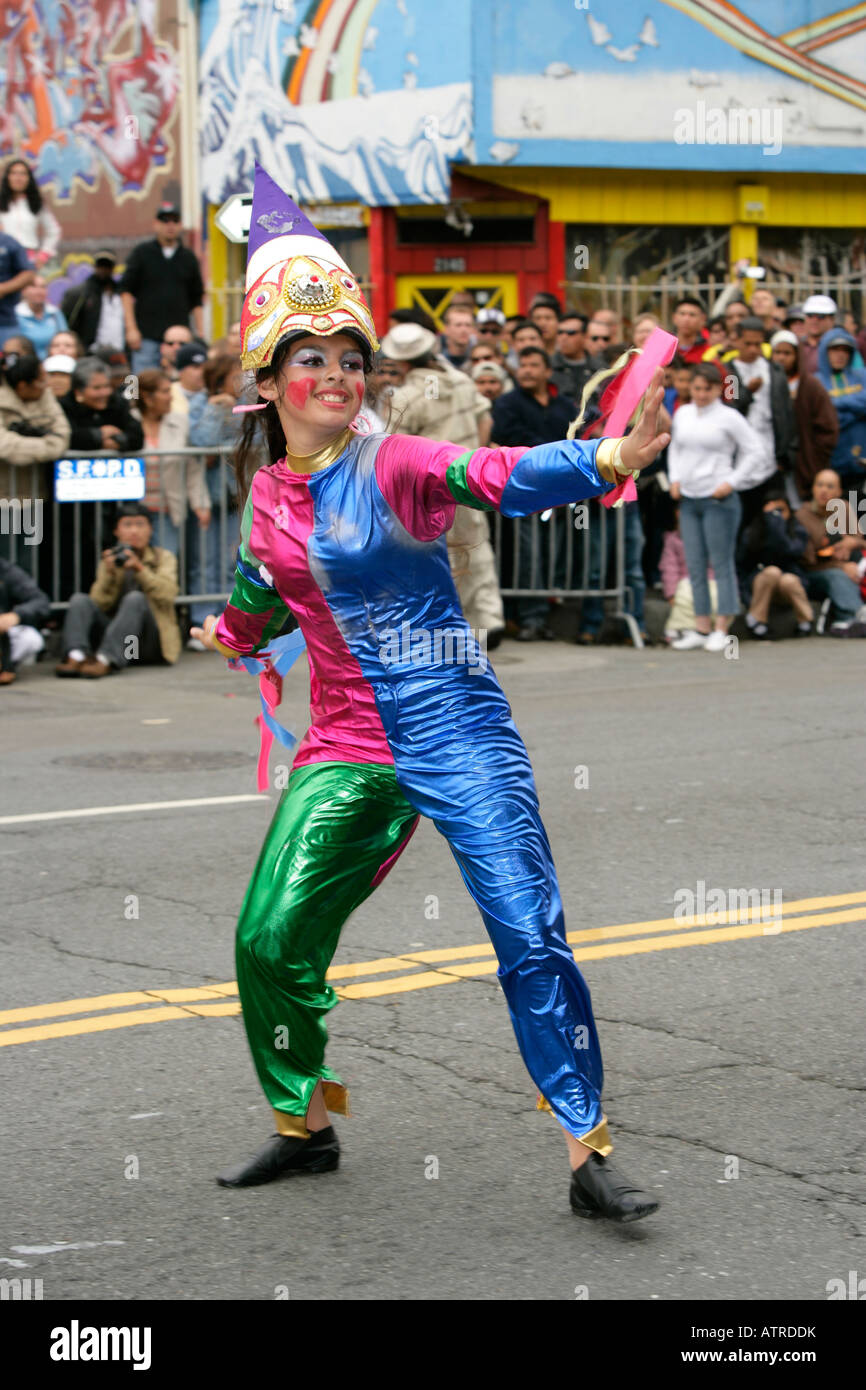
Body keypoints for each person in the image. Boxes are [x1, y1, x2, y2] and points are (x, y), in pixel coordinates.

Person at [189, 167, 669, 1220]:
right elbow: (262, 589)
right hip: (349, 742)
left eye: (349, 358)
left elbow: (498, 473)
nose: (336, 373)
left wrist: (602, 458)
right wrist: (226, 631)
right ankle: (305, 1120)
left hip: (454, 725)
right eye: (310, 357)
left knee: (526, 929)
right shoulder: (269, 495)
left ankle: (587, 1148)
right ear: (267, 381)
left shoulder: (395, 462)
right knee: (269, 935)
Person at [381, 321, 506, 646]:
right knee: (477, 548)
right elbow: (486, 418)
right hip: (469, 476)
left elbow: (392, 449)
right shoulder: (463, 382)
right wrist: (475, 459)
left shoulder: (405, 396)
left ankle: (447, 625)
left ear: (403, 362)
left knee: (439, 556)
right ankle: (488, 620)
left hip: (429, 486)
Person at [667, 363, 768, 651]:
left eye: (706, 389)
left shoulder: (729, 417)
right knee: (695, 563)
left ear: (718, 389)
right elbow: (676, 448)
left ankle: (722, 626)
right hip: (689, 497)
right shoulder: (684, 413)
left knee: (721, 562)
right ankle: (701, 626)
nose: (700, 394)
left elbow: (755, 451)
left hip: (718, 498)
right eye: (696, 388)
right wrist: (674, 479)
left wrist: (733, 481)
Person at [490, 344, 576, 640]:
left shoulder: (565, 406)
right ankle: (529, 617)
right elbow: (501, 443)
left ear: (548, 371)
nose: (526, 370)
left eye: (533, 364)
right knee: (528, 556)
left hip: (560, 493)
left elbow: (574, 441)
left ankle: (544, 617)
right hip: (523, 491)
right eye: (522, 364)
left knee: (554, 556)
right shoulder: (507, 404)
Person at [56, 503, 181, 677]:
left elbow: (167, 595)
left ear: (150, 529)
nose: (134, 531)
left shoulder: (163, 557)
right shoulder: (111, 559)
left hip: (144, 645)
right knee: (80, 600)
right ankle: (75, 656)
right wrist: (109, 574)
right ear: (117, 532)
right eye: (128, 525)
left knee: (135, 599)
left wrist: (140, 569)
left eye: (140, 524)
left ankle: (105, 659)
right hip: (118, 640)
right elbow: (98, 603)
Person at [187, 353, 246, 637]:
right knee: (204, 563)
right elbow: (200, 441)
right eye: (236, 374)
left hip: (236, 497)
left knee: (229, 562)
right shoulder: (201, 403)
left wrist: (219, 450)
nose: (242, 380)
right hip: (207, 499)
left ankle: (227, 625)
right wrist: (216, 410)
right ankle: (201, 621)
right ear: (221, 377)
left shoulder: (247, 402)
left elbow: (253, 439)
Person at [724, 316, 798, 522]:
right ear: (737, 341)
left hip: (770, 454)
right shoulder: (729, 372)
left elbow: (786, 413)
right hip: (739, 456)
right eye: (747, 344)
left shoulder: (774, 371)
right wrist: (747, 391)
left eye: (758, 344)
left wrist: (786, 453)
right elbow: (731, 408)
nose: (753, 349)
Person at [0, 352, 71, 563]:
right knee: (7, 565)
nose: (46, 384)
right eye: (41, 380)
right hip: (4, 501)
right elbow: (6, 447)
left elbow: (62, 437)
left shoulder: (45, 397)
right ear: (23, 386)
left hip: (34, 499)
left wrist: (27, 445)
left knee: (29, 562)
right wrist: (44, 445)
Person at [120, 201, 205, 372]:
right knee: (141, 385)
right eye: (165, 220)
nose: (170, 225)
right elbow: (125, 292)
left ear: (180, 225)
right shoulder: (141, 253)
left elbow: (197, 299)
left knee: (182, 382)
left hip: (179, 338)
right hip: (146, 337)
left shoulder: (188, 258)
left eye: (174, 221)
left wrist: (200, 334)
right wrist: (131, 329)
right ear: (156, 224)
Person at [135, 368, 209, 560]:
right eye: (165, 391)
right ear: (147, 396)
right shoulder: (129, 423)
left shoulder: (180, 421)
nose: (170, 397)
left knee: (165, 564)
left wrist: (200, 504)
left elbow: (192, 468)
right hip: (133, 512)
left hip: (166, 512)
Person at [770, 330, 838, 501]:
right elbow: (736, 400)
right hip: (771, 461)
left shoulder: (810, 385)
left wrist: (814, 457)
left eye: (787, 353)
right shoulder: (761, 380)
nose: (781, 358)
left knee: (801, 508)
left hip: (803, 462)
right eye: (777, 352)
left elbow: (828, 427)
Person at [737, 492, 813, 639]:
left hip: (786, 587)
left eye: (781, 511)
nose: (776, 515)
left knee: (788, 579)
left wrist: (776, 525)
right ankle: (756, 620)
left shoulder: (796, 530)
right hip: (759, 586)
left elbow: (790, 551)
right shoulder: (752, 532)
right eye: (772, 512)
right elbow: (741, 565)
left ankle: (805, 621)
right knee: (772, 572)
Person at [795, 469, 863, 621]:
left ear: (839, 492)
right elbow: (808, 563)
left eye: (830, 486)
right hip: (815, 575)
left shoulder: (844, 508)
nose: (824, 490)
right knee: (836, 576)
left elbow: (862, 542)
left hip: (852, 567)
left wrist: (852, 542)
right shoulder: (802, 516)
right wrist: (841, 566)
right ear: (813, 488)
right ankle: (857, 614)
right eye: (820, 485)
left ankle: (849, 619)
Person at [815, 328, 866, 493]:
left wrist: (836, 402)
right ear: (825, 352)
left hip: (861, 461)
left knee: (860, 513)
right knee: (837, 514)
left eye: (845, 350)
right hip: (832, 462)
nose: (840, 355)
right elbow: (822, 416)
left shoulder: (861, 376)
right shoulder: (816, 381)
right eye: (835, 349)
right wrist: (857, 412)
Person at [61, 356, 144, 454]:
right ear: (79, 391)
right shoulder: (64, 406)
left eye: (106, 386)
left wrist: (118, 440)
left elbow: (137, 437)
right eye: (97, 388)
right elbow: (66, 438)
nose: (104, 393)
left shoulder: (117, 403)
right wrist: (99, 435)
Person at [60, 250, 125, 352]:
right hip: (91, 350)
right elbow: (68, 322)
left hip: (119, 349)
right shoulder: (81, 293)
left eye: (107, 266)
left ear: (112, 268)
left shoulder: (120, 293)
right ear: (95, 267)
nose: (103, 270)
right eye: (100, 266)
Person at [0, 160, 61, 268]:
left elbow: (54, 231)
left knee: (36, 283)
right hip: (4, 259)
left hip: (28, 259)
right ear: (8, 177)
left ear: (29, 178)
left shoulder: (36, 203)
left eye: (23, 174)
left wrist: (43, 255)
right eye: (14, 173)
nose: (18, 178)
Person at [0, 557, 51, 685]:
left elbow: (41, 601)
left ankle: (5, 666)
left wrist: (16, 615)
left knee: (31, 638)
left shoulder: (6, 571)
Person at [14, 276, 67, 358]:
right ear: (23, 291)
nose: (39, 291)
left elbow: (65, 337)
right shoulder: (16, 315)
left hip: (55, 361)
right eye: (34, 287)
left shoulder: (55, 313)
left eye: (43, 287)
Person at [0, 228, 35, 348]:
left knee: (10, 359)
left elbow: (29, 274)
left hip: (4, 320)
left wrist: (3, 288)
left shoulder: (7, 242)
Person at [551, 312, 595, 402]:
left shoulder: (600, 369)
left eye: (571, 333)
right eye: (560, 332)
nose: (564, 337)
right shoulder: (547, 368)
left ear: (585, 336)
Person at [169, 341, 208, 425]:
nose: (202, 372)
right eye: (196, 367)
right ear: (181, 370)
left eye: (205, 367)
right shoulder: (168, 394)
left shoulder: (212, 394)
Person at [670, 295, 708, 364]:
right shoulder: (666, 346)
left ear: (702, 319)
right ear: (674, 318)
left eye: (692, 315)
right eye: (682, 314)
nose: (686, 319)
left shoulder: (708, 348)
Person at [439, 303, 475, 370]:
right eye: (458, 325)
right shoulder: (435, 357)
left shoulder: (480, 357)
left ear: (473, 329)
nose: (464, 330)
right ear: (446, 329)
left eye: (468, 325)